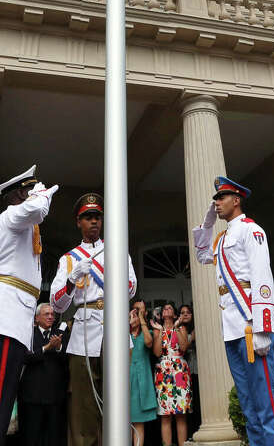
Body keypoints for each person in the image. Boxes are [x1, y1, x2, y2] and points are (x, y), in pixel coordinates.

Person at [0, 165, 59, 446]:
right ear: (20, 194)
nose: (35, 194)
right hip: (3, 320)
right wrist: (42, 196)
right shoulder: (11, 216)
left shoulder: (15, 225)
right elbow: (36, 211)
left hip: (8, 318)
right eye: (30, 190)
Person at [193, 177, 274, 446]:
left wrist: (263, 327)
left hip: (251, 325)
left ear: (237, 200)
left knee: (266, 400)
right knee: (248, 404)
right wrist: (208, 221)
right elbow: (201, 254)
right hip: (231, 327)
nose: (217, 203)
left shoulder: (251, 230)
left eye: (221, 198)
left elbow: (262, 278)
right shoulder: (222, 238)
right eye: (215, 199)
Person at [51, 191, 136, 446]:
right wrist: (72, 279)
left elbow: (131, 288)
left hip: (114, 327)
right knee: (83, 405)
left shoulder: (118, 251)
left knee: (117, 400)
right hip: (84, 335)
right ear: (79, 222)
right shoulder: (68, 259)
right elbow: (57, 302)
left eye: (97, 217)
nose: (94, 222)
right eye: (88, 217)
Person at [19, 303, 69, 446]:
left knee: (53, 437)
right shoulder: (28, 333)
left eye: (52, 314)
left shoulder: (60, 334)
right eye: (46, 314)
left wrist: (59, 347)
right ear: (36, 318)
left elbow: (68, 359)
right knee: (31, 436)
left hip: (55, 397)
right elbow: (26, 357)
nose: (50, 317)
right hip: (32, 396)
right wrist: (47, 347)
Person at [152, 302, 192, 446]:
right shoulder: (158, 329)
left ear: (175, 314)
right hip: (164, 371)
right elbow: (157, 352)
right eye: (164, 308)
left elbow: (184, 346)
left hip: (180, 370)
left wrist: (175, 328)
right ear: (161, 315)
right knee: (165, 415)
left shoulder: (181, 327)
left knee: (181, 414)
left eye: (170, 308)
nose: (166, 309)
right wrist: (161, 331)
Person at [129, 304, 158, 446]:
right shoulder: (124, 335)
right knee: (124, 421)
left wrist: (141, 319)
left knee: (138, 421)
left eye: (136, 315)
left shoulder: (146, 333)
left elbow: (149, 342)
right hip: (126, 380)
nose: (133, 317)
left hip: (141, 381)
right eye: (132, 315)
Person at [178, 304, 200, 438]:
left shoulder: (198, 327)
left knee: (197, 402)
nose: (185, 314)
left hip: (196, 370)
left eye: (188, 312)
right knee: (186, 405)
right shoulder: (177, 328)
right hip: (182, 372)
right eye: (182, 312)